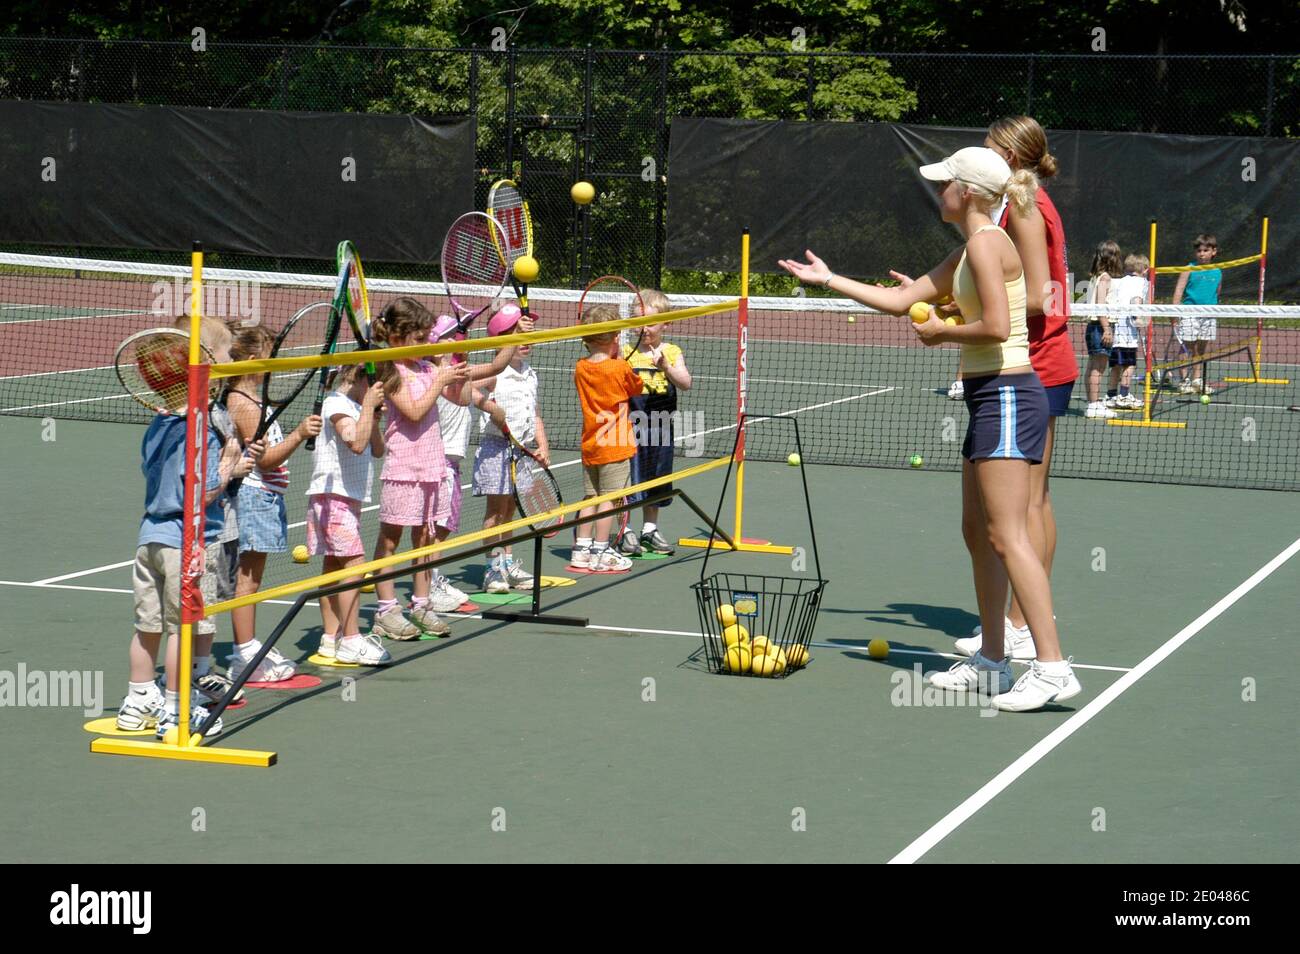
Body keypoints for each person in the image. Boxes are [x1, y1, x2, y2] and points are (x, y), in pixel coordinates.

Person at [779, 145, 1081, 711]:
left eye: (945, 182)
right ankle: (993, 659)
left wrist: (944, 333)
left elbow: (994, 326)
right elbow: (900, 301)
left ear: (966, 192)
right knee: (978, 531)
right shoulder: (969, 251)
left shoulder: (991, 246)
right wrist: (829, 279)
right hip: (987, 396)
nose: (937, 190)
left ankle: (1052, 667)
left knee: (1009, 536)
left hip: (1011, 395)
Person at [116, 316, 260, 737]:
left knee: (147, 628)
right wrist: (231, 468)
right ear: (204, 366)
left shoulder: (159, 422)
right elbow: (200, 495)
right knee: (184, 627)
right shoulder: (202, 428)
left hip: (150, 539)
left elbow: (154, 473)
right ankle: (179, 710)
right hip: (187, 541)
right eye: (224, 356)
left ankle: (138, 699)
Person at [368, 298, 470, 639]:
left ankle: (421, 604)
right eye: (419, 338)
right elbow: (413, 411)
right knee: (391, 538)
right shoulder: (389, 370)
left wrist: (452, 366)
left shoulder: (428, 368)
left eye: (428, 336)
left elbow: (463, 397)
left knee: (425, 538)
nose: (425, 343)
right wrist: (440, 380)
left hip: (432, 466)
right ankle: (386, 610)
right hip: (403, 467)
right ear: (397, 337)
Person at [225, 324, 322, 683]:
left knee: (253, 578)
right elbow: (265, 461)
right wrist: (299, 434)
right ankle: (245, 655)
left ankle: (247, 648)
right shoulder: (241, 402)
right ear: (253, 360)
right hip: (254, 498)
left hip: (266, 498)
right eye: (271, 356)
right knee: (247, 581)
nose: (276, 364)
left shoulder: (251, 399)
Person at [429, 308, 527, 606]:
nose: (459, 339)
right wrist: (513, 335)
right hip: (437, 462)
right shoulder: (437, 374)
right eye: (450, 336)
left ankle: (432, 580)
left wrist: (492, 408)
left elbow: (490, 374)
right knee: (435, 529)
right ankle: (430, 583)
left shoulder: (459, 374)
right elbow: (496, 368)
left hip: (452, 464)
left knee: (445, 526)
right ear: (434, 345)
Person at [306, 363, 390, 665]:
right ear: (360, 378)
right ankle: (352, 640)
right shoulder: (336, 404)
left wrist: (373, 416)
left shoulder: (358, 406)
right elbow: (354, 442)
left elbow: (377, 450)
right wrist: (366, 408)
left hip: (349, 499)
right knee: (355, 564)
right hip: (332, 498)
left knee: (333, 567)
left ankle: (331, 638)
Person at [471, 305, 549, 593]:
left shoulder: (530, 373)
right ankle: (492, 570)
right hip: (496, 448)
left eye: (526, 333)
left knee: (512, 509)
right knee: (495, 511)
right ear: (501, 338)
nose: (525, 340)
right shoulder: (495, 372)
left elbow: (535, 412)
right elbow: (468, 390)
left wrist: (542, 444)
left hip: (522, 451)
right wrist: (490, 407)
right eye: (517, 333)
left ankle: (507, 561)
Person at [617, 288, 692, 557]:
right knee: (626, 481)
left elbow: (685, 383)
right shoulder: (625, 352)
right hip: (629, 429)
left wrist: (666, 368)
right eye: (639, 321)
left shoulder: (671, 352)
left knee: (657, 478)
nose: (645, 328)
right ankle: (623, 531)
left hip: (661, 429)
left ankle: (649, 529)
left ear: (666, 323)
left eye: (650, 322)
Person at [571, 303, 644, 572]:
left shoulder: (581, 368)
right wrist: (622, 360)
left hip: (591, 442)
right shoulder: (618, 368)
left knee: (589, 498)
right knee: (610, 500)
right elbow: (636, 387)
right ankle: (602, 551)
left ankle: (581, 549)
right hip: (614, 444)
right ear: (615, 338)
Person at [1171, 232, 1221, 393]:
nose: (1202, 254)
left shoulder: (1218, 271)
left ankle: (1197, 379)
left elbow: (1217, 292)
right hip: (1189, 312)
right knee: (1186, 346)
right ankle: (1184, 381)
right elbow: (1178, 291)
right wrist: (1174, 313)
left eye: (1206, 250)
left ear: (1213, 251)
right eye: (1199, 251)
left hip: (1209, 314)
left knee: (1201, 348)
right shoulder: (1188, 269)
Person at [1083, 240, 1122, 419]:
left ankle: (1093, 402)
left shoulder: (1096, 277)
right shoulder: (1105, 278)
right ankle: (1094, 405)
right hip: (1100, 326)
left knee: (1093, 366)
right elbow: (1100, 305)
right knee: (1098, 368)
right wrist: (1107, 329)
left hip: (1095, 326)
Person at [1108, 254, 1150, 410]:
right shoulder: (1143, 283)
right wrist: (1138, 318)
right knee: (1129, 365)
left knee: (1116, 366)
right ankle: (1124, 396)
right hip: (1127, 331)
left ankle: (1111, 396)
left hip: (1115, 327)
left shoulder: (1120, 281)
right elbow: (1136, 300)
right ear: (1145, 270)